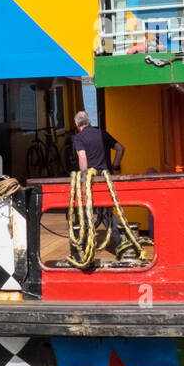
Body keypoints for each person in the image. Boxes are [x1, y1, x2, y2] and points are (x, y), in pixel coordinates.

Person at [71, 110, 138, 262]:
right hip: (106, 178)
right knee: (107, 212)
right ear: (88, 121)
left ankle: (85, 248)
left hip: (92, 179)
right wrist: (115, 165)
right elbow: (121, 148)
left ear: (77, 124)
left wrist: (84, 176)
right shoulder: (102, 133)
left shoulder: (79, 138)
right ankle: (123, 244)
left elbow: (82, 157)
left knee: (86, 213)